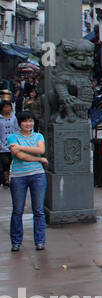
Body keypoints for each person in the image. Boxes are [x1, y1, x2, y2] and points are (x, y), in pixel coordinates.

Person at [7, 111, 48, 258]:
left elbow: (41, 150)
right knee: (18, 210)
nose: (28, 124)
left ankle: (40, 241)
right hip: (18, 176)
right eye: (25, 121)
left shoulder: (39, 136)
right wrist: (39, 159)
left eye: (30, 121)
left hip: (38, 176)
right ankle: (16, 241)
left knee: (39, 210)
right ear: (20, 123)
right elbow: (19, 156)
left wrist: (21, 147)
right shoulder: (12, 137)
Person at [0, 100, 19, 187]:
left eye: (9, 107)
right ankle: (6, 179)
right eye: (5, 107)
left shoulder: (13, 118)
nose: (7, 109)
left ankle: (9, 179)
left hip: (12, 144)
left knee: (11, 161)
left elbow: (16, 129)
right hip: (2, 144)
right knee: (5, 161)